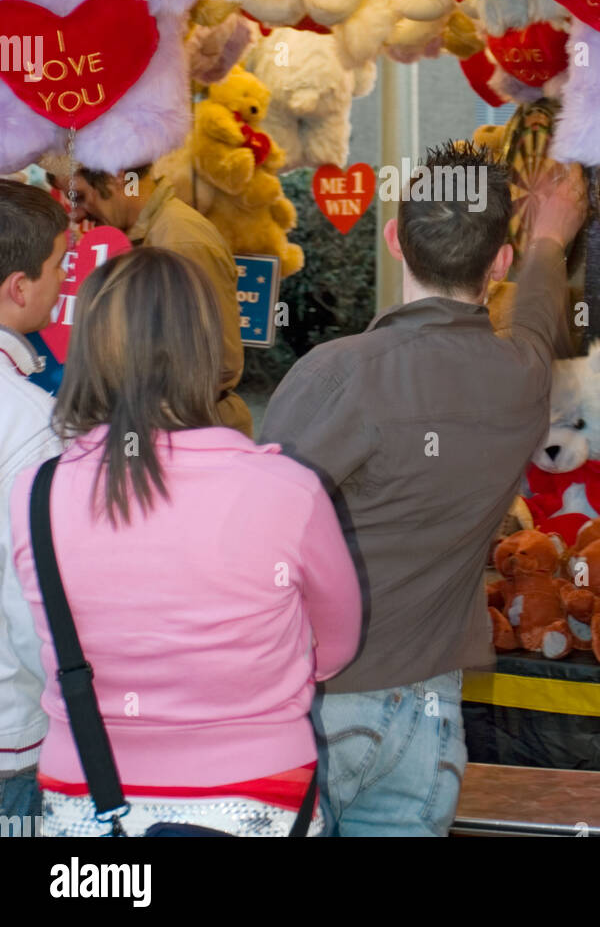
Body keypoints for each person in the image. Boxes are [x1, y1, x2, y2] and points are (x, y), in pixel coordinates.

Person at [262, 141, 587, 837]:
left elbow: (255, 545)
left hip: (316, 705)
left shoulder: (337, 374)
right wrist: (551, 236)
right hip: (434, 717)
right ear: (497, 263)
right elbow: (534, 318)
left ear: (393, 240)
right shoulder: (522, 379)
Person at [10, 247, 362, 837]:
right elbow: (337, 646)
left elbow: (43, 633)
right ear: (205, 348)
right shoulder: (287, 490)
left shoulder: (37, 491)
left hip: (87, 800)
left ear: (90, 346)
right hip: (256, 795)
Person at [70, 164, 253, 436]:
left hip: (191, 432)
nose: (77, 214)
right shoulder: (142, 235)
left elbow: (215, 363)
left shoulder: (179, 241)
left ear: (116, 177)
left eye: (82, 196)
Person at [0, 179, 68, 835]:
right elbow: (33, 603)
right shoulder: (29, 421)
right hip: (10, 732)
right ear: (20, 287)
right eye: (58, 268)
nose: (63, 285)